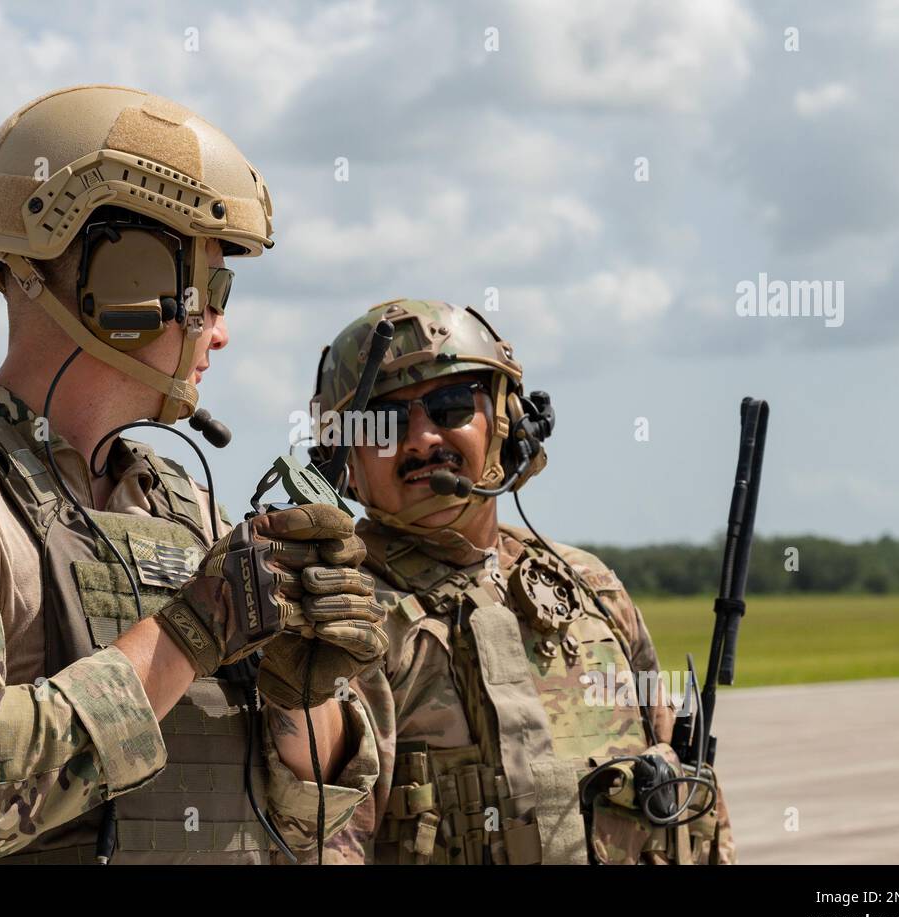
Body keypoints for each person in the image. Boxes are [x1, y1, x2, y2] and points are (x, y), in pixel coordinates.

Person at [0, 85, 385, 865]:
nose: (224, 331)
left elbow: (312, 827)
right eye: (213, 288)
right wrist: (189, 634)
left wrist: (303, 698)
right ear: (123, 280)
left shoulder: (186, 507)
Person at [309, 298, 735, 864]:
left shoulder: (588, 586)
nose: (420, 440)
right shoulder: (342, 615)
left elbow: (682, 796)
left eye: (451, 405)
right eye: (384, 422)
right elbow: (319, 843)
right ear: (345, 459)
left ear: (507, 423)